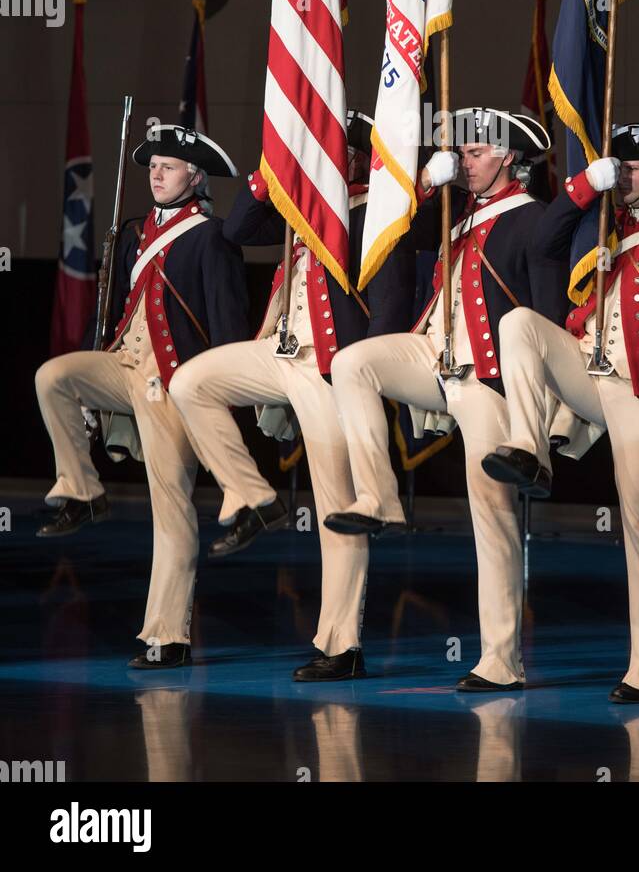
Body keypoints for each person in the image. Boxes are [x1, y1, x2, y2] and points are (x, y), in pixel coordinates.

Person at [168, 111, 415, 683]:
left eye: (336, 151)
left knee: (337, 509)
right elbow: (237, 231)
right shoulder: (301, 207)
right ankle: (254, 496)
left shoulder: (374, 215)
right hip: (280, 353)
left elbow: (393, 309)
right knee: (192, 382)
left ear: (356, 158)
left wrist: (368, 389)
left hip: (332, 372)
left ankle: (341, 643)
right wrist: (269, 170)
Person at [325, 108, 568, 691]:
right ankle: (379, 498)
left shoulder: (533, 220)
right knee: (351, 361)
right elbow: (389, 235)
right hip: (435, 358)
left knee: (492, 514)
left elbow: (547, 319)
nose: (466, 162)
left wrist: (541, 410)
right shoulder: (453, 214)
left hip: (489, 382)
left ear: (509, 158)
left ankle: (501, 660)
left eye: (478, 153)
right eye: (462, 153)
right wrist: (427, 182)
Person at [484, 121, 639, 703]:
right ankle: (529, 448)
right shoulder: (606, 225)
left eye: (634, 169)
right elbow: (541, 243)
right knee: (518, 324)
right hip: (592, 381)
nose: (626, 177)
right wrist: (585, 187)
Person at [35, 125, 249, 669]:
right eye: (152, 165)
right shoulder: (131, 232)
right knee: (54, 376)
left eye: (169, 166)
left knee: (170, 505)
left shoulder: (212, 236)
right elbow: (108, 314)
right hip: (124, 366)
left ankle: (167, 635)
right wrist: (87, 394)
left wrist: (218, 402)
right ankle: (81, 489)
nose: (156, 173)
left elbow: (228, 326)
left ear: (195, 177)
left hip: (173, 382)